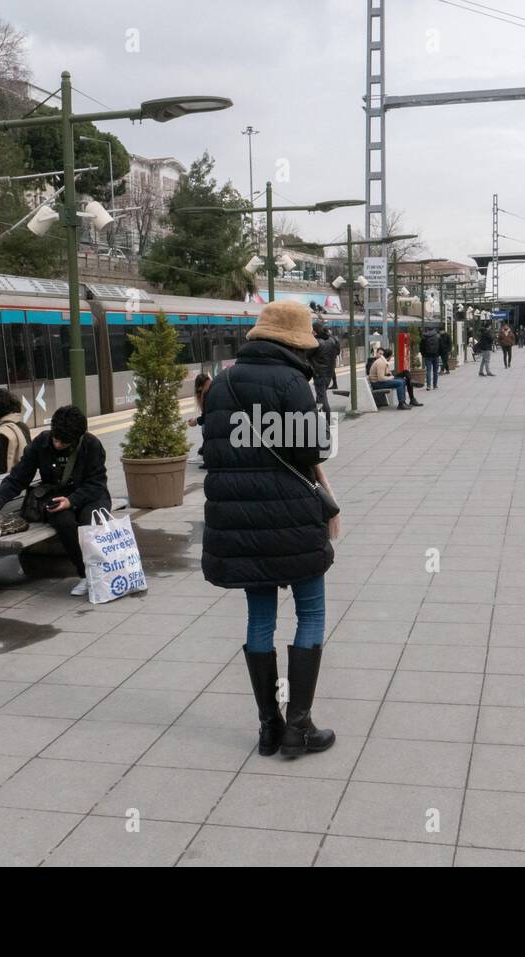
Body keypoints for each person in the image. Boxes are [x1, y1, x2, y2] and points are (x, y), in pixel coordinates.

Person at [200, 299, 338, 758]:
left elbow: (215, 455)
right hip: (292, 520)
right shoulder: (291, 382)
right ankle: (299, 726)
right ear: (296, 343)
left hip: (238, 523)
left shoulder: (220, 385)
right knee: (311, 613)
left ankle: (268, 727)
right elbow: (312, 450)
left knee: (260, 618)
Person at [0, 405, 111, 596]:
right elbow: (18, 477)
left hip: (89, 496)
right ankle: (86, 576)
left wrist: (72, 501)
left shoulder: (91, 445)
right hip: (57, 497)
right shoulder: (41, 443)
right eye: (55, 439)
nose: (57, 445)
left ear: (78, 437)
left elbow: (96, 484)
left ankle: (104, 571)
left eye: (63, 443)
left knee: (88, 521)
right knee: (63, 521)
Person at [308, 321, 341, 424]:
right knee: (320, 395)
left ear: (314, 330)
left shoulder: (316, 342)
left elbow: (307, 355)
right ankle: (316, 416)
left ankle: (328, 420)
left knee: (322, 397)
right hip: (329, 373)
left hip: (319, 373)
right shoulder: (332, 339)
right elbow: (337, 352)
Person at [187, 372, 213, 468]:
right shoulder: (211, 389)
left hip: (215, 422)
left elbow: (207, 416)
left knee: (205, 428)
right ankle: (203, 454)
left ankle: (205, 457)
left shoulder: (207, 394)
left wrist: (196, 421)